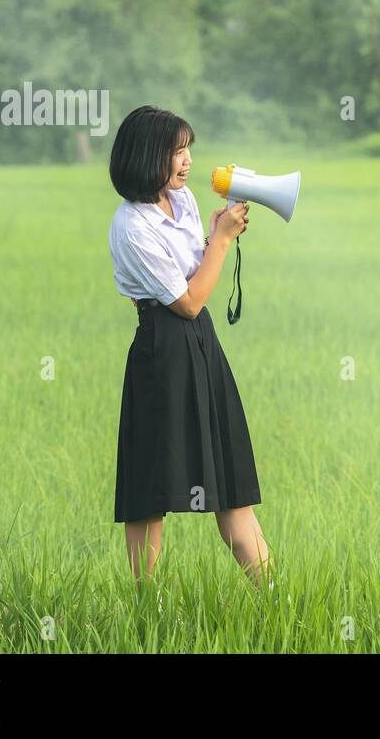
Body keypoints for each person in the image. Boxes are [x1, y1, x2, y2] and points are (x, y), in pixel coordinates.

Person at [107, 105, 271, 590]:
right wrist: (219, 242)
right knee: (150, 485)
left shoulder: (182, 203)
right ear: (145, 157)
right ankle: (145, 602)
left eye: (188, 150)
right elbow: (189, 301)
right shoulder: (132, 227)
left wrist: (218, 233)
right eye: (176, 152)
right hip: (163, 349)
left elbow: (199, 275)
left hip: (202, 346)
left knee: (231, 480)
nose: (187, 162)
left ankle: (274, 599)